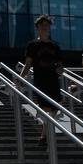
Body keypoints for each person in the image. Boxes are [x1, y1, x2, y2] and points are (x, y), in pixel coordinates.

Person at [20, 14, 63, 144]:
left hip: (53, 80)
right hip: (40, 80)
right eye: (42, 25)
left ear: (50, 28)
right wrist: (20, 79)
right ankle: (45, 135)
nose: (45, 28)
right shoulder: (32, 45)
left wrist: (60, 70)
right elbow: (28, 64)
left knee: (55, 108)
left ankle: (44, 136)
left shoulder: (55, 46)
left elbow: (60, 66)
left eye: (47, 25)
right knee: (46, 109)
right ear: (37, 28)